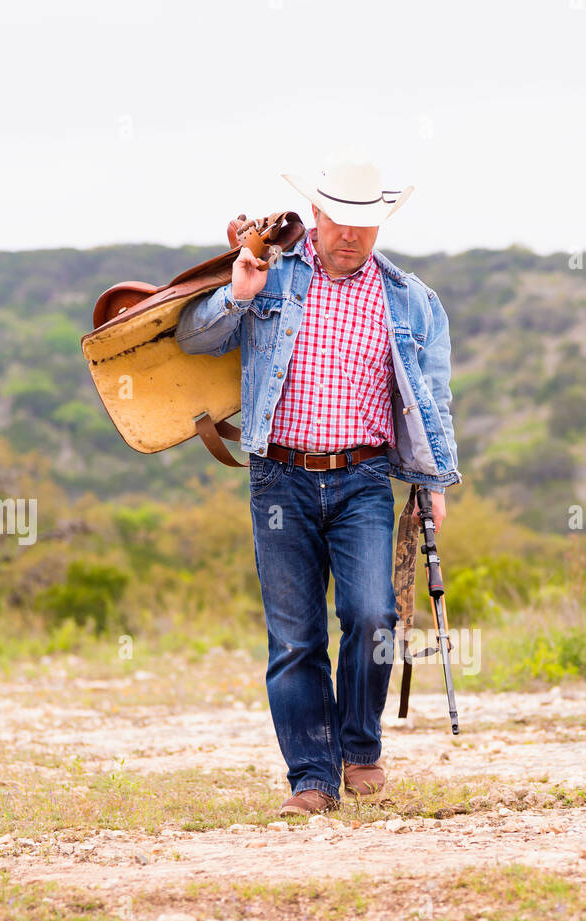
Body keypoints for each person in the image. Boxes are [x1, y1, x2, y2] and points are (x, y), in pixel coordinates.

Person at [176, 157, 461, 815]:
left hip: (363, 476)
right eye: (341, 222)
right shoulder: (268, 270)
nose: (353, 236)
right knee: (296, 637)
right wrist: (238, 294)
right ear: (319, 216)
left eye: (367, 224)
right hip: (278, 476)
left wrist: (434, 481)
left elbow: (432, 397)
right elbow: (196, 338)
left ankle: (360, 746)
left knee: (371, 613)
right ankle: (311, 777)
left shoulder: (411, 299)